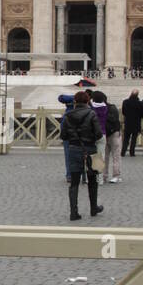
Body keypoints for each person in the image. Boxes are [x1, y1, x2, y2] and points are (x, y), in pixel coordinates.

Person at [60, 90, 103, 221]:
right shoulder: (92, 113)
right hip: (91, 149)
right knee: (93, 179)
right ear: (87, 101)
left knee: (74, 182)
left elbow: (63, 136)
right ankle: (93, 208)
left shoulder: (67, 116)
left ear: (75, 101)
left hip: (73, 149)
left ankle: (74, 212)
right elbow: (99, 134)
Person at [90, 90, 121, 183]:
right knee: (114, 155)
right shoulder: (111, 107)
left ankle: (103, 175)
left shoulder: (95, 109)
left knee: (103, 155)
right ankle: (114, 175)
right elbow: (116, 120)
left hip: (106, 134)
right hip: (112, 133)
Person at [121, 89, 142, 157]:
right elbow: (142, 114)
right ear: (137, 95)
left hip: (128, 123)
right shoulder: (139, 103)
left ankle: (123, 152)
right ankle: (132, 152)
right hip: (136, 123)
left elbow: (123, 112)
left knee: (126, 138)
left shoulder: (125, 102)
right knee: (134, 139)